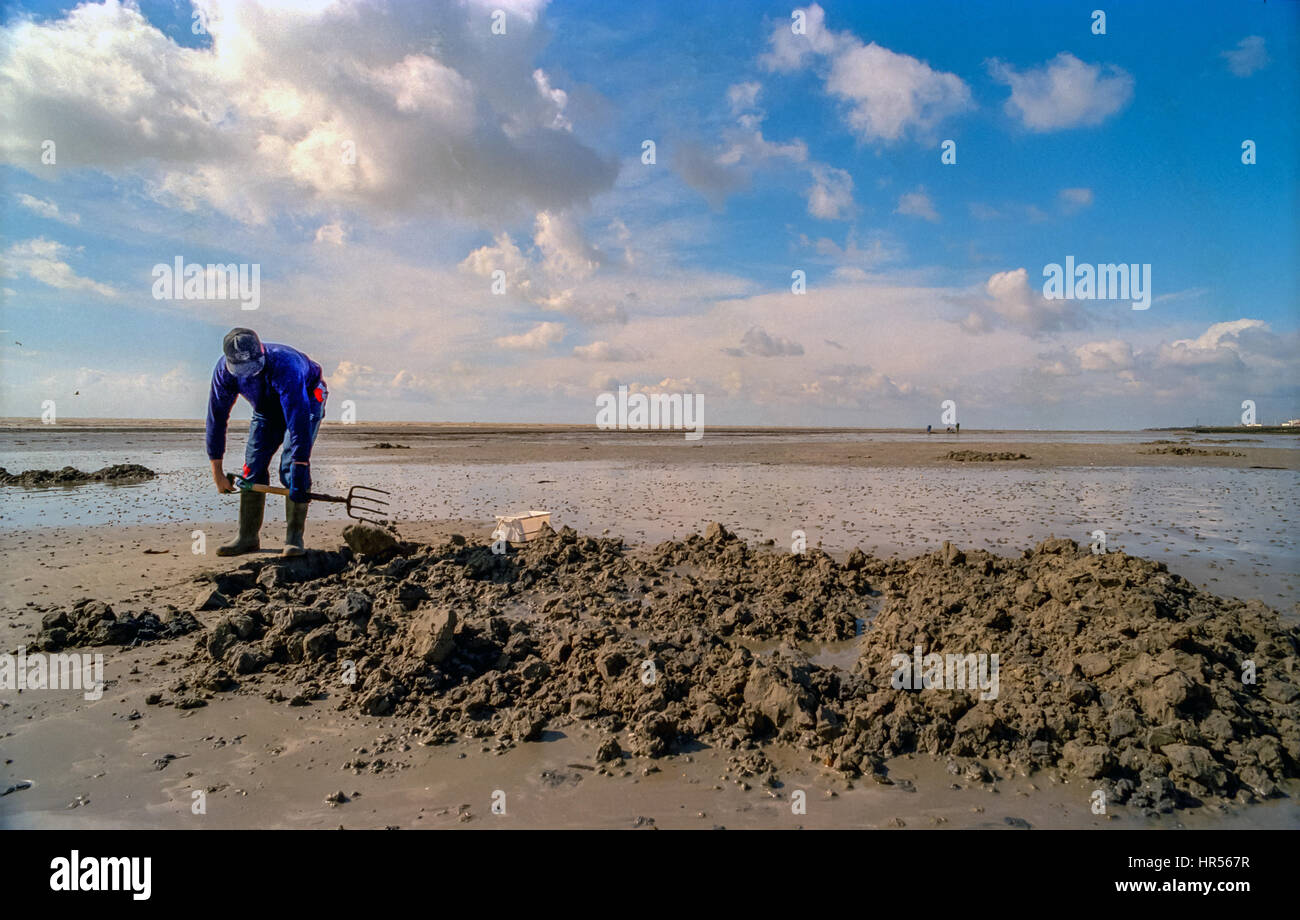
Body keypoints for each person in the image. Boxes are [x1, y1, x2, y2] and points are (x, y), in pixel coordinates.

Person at [206, 328, 327, 557]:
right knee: (252, 468)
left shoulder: (285, 365)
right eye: (243, 372)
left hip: (307, 400)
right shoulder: (223, 372)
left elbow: (297, 418)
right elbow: (216, 418)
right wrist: (217, 472)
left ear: (261, 354)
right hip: (265, 410)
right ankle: (247, 538)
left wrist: (300, 466)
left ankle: (293, 539)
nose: (249, 375)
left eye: (253, 369)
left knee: (290, 469)